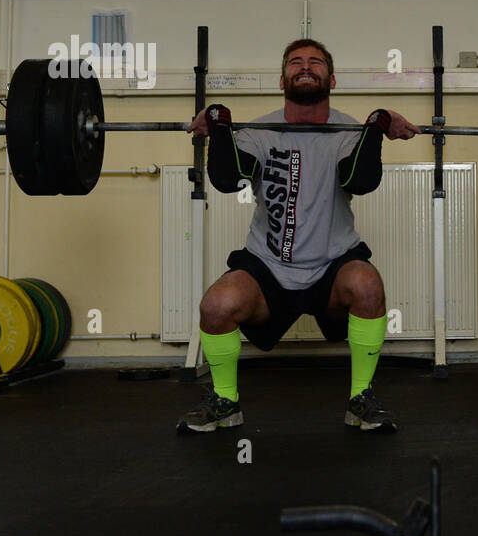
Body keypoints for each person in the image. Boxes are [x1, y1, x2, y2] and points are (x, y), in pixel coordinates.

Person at [175, 39, 421, 435]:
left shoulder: (346, 134)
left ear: (332, 78)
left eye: (316, 62)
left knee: (368, 286)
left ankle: (361, 400)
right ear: (282, 78)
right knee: (216, 306)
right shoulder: (258, 132)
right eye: (295, 61)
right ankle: (225, 402)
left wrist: (377, 123)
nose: (305, 67)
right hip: (268, 266)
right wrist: (219, 122)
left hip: (331, 264)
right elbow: (225, 178)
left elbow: (361, 179)